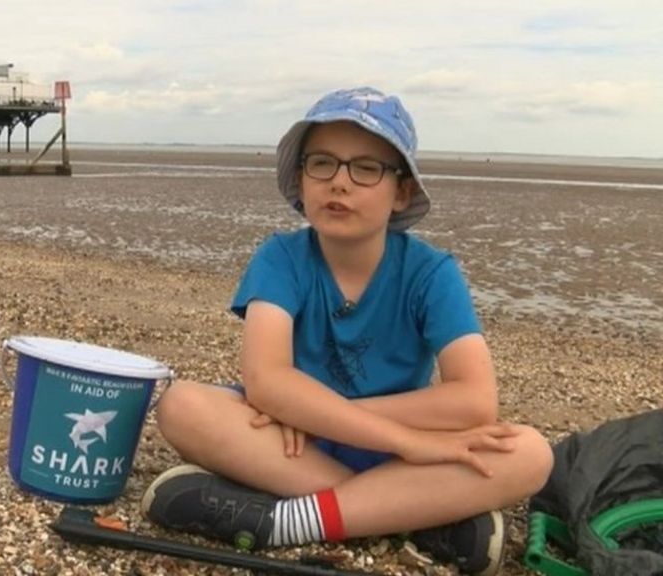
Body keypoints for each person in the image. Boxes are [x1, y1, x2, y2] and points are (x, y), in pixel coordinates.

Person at [140, 87, 554, 576]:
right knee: (182, 404)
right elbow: (267, 382)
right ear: (302, 177)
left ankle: (287, 519)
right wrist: (317, 418)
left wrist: (358, 426)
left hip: (376, 442)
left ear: (401, 190)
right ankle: (410, 517)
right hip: (293, 445)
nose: (340, 182)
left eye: (365, 168)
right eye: (323, 164)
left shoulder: (430, 273)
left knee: (530, 453)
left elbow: (474, 400)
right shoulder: (281, 258)